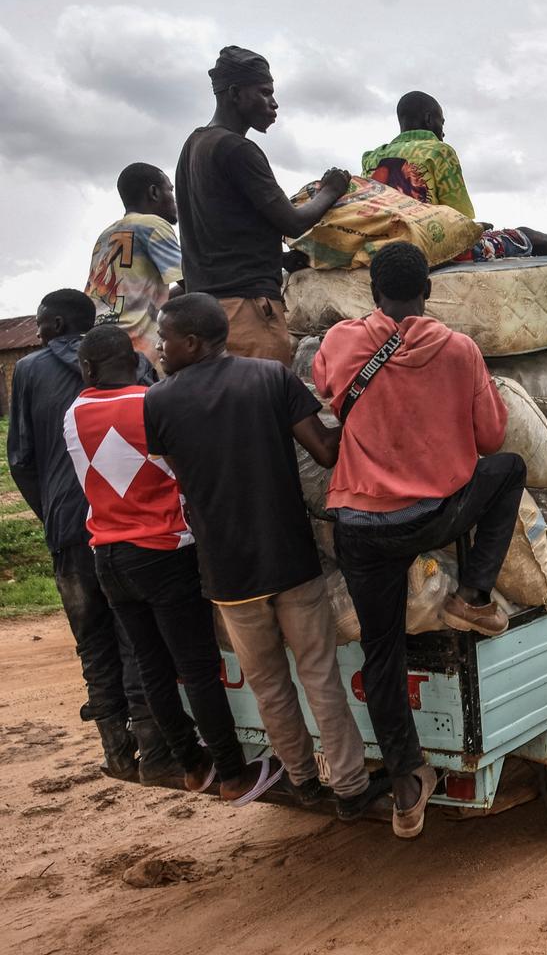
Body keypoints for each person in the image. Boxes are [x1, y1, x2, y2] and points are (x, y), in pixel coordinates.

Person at [144, 293, 386, 818]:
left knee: (270, 685)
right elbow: (324, 450)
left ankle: (302, 781)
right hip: (291, 559)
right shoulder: (270, 379)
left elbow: (175, 464)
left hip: (227, 573)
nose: (159, 348)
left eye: (164, 338)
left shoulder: (158, 402)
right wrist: (372, 412)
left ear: (191, 342)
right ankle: (349, 789)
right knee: (320, 676)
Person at [314, 242, 525, 837]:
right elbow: (491, 436)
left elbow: (325, 383)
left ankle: (409, 780)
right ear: (427, 291)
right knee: (508, 470)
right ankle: (475, 595)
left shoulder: (342, 341)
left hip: (358, 526)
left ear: (373, 293)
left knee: (383, 653)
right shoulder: (459, 349)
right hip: (432, 516)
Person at [64, 326, 277, 803]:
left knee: (152, 666)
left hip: (108, 555)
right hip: (163, 551)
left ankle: (191, 765)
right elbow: (183, 469)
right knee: (197, 668)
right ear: (135, 359)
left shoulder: (73, 414)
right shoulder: (156, 401)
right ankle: (233, 774)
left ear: (87, 369)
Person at [6, 290, 173, 782]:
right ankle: (153, 746)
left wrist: (55, 517)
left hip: (70, 530)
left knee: (92, 640)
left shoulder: (30, 371)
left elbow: (21, 460)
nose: (36, 332)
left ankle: (116, 750)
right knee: (137, 637)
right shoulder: (133, 364)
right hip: (131, 525)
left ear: (56, 323)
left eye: (39, 324)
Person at [175, 46, 352, 366]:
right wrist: (330, 190)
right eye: (264, 92)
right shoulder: (237, 149)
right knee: (259, 409)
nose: (274, 103)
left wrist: (282, 259)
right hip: (247, 312)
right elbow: (293, 222)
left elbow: (224, 229)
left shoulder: (194, 145)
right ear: (235, 93)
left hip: (203, 312)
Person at [361, 91, 547, 261]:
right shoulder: (439, 151)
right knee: (527, 236)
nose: (443, 132)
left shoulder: (371, 157)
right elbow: (459, 219)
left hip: (385, 250)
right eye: (442, 122)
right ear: (430, 119)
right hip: (436, 250)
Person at [84, 163, 183, 371]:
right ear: (154, 192)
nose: (174, 199)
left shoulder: (105, 235)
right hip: (138, 355)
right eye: (170, 190)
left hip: (98, 351)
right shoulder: (153, 225)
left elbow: (135, 297)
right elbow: (193, 282)